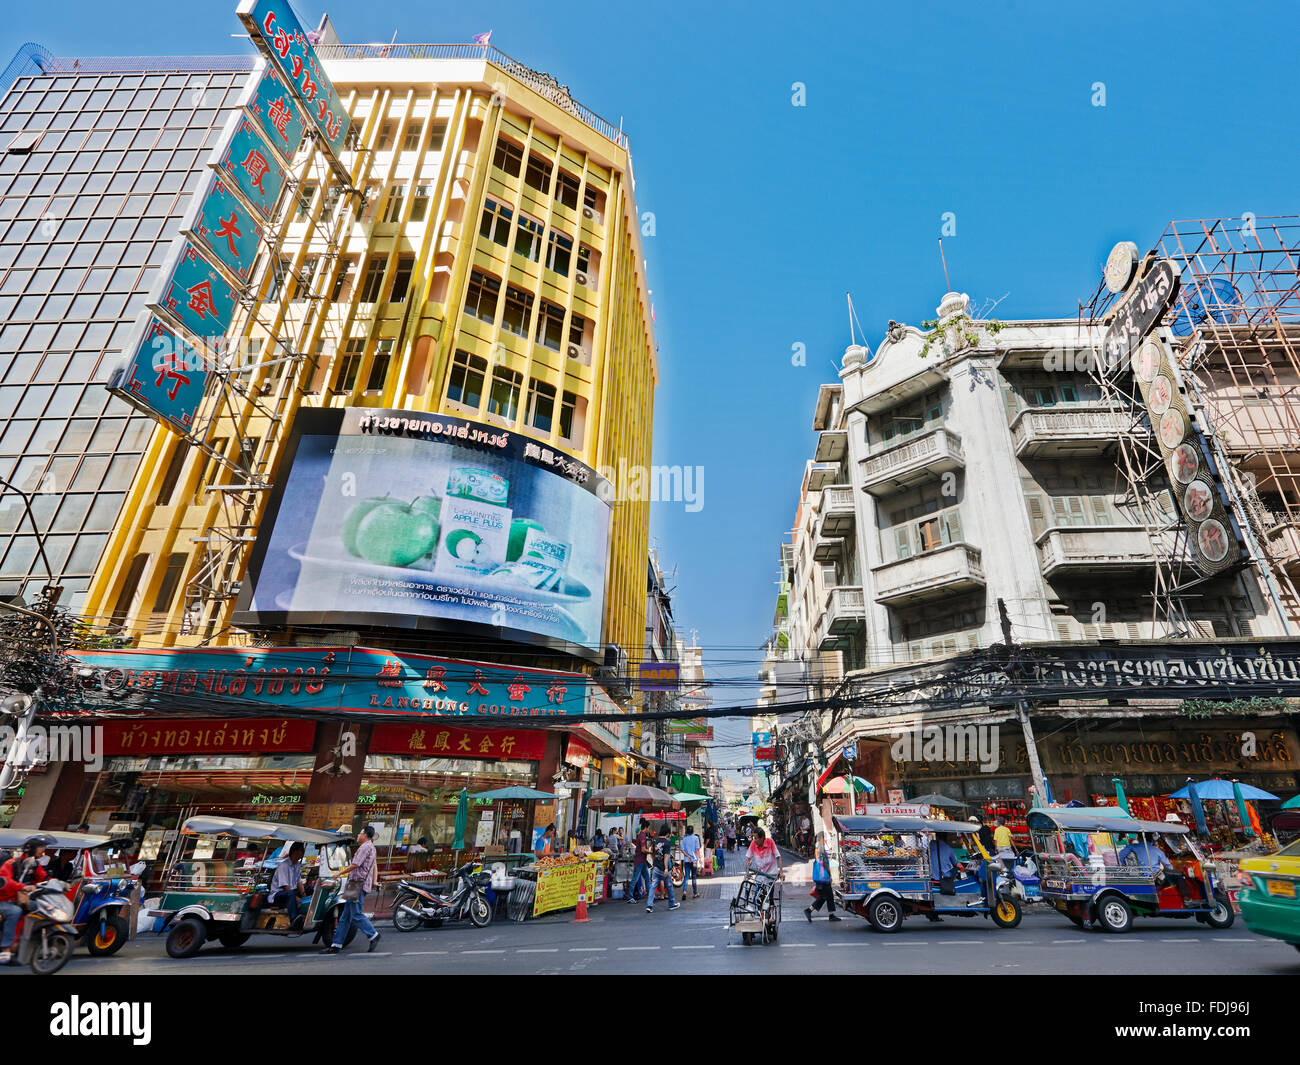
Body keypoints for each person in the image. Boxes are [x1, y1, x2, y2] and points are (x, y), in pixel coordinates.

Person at [321, 824, 381, 955]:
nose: (358, 835)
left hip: (357, 884)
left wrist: (338, 873)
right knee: (345, 916)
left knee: (355, 914)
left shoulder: (365, 847)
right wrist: (374, 881)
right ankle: (336, 945)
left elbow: (355, 864)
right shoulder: (371, 847)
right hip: (355, 884)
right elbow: (373, 866)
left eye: (360, 833)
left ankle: (373, 935)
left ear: (365, 835)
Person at [0, 836, 52, 965]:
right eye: (41, 847)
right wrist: (23, 887)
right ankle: (6, 948)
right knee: (15, 911)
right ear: (31, 848)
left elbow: (44, 878)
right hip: (5, 900)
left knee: (45, 907)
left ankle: (36, 943)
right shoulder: (12, 863)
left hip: (21, 899)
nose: (43, 850)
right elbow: (5, 881)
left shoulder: (34, 864)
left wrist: (60, 884)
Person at [1118, 835, 1189, 901]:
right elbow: (1169, 866)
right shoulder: (1157, 850)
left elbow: (1121, 855)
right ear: (1151, 840)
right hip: (1155, 879)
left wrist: (1126, 866)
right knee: (1178, 876)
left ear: (1140, 839)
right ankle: (1186, 899)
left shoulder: (1132, 847)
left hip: (1139, 877)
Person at [268, 842, 308, 927]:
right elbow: (285, 886)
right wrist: (296, 898)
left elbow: (299, 882)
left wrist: (304, 895)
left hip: (291, 891)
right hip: (278, 894)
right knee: (291, 894)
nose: (303, 853)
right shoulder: (283, 865)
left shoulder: (297, 865)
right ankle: (294, 919)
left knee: (310, 889)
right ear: (296, 852)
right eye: (302, 851)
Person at [804, 832, 841, 922]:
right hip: (823, 877)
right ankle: (809, 910)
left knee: (827, 895)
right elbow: (824, 864)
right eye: (825, 838)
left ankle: (830, 914)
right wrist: (830, 874)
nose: (826, 839)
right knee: (825, 896)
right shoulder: (820, 848)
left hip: (821, 877)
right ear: (822, 838)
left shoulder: (818, 848)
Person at [645, 823, 680, 913]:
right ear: (667, 833)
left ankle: (649, 905)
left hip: (656, 867)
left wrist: (654, 863)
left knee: (653, 886)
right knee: (669, 886)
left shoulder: (655, 841)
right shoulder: (667, 843)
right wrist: (666, 868)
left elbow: (652, 853)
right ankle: (671, 904)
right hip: (663, 868)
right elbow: (666, 856)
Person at [679, 824, 701, 900]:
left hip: (686, 860)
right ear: (693, 831)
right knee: (694, 876)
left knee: (686, 876)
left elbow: (682, 849)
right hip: (694, 860)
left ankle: (684, 891)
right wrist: (700, 858)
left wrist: (687, 856)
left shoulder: (684, 839)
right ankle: (695, 893)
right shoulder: (696, 838)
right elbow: (697, 849)